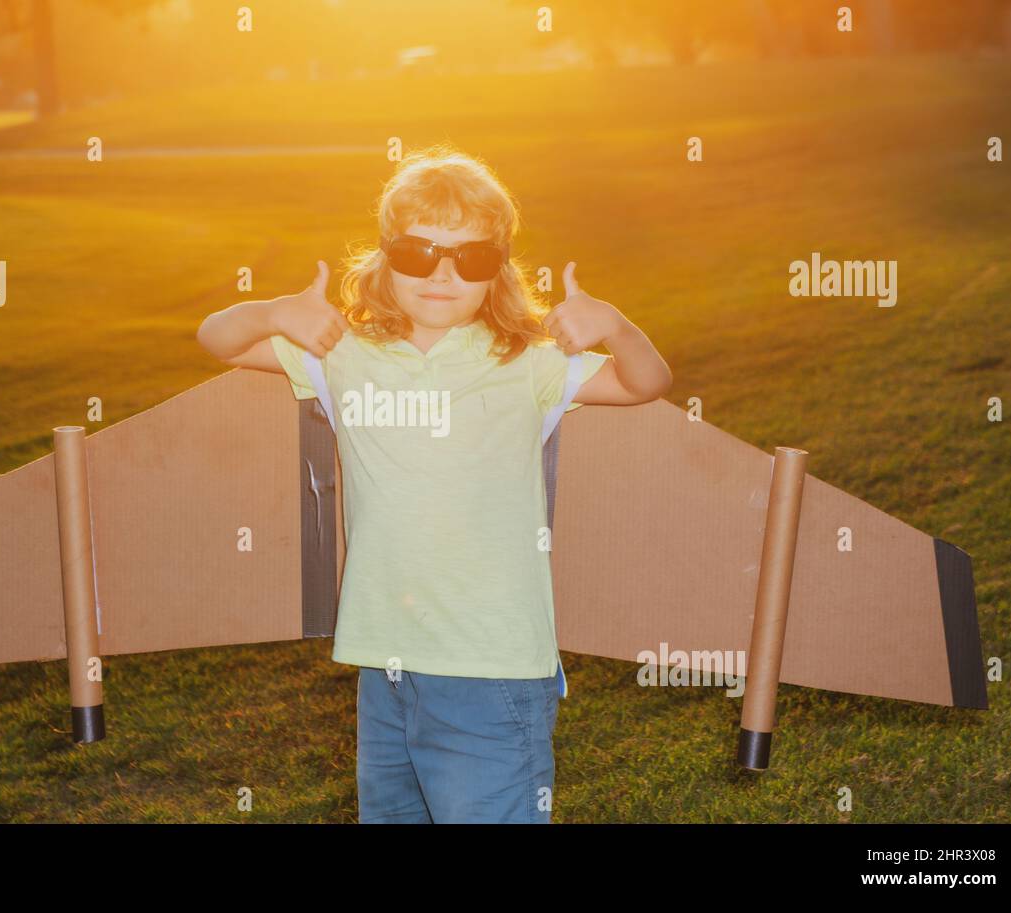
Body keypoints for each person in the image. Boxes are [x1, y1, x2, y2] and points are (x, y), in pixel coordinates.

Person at [197, 145, 672, 823]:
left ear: (497, 270)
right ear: (385, 256)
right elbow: (216, 337)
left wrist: (616, 327)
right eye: (420, 252)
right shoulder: (343, 353)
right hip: (383, 662)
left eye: (470, 257)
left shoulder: (525, 360)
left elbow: (646, 382)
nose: (443, 273)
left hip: (492, 667)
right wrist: (275, 311)